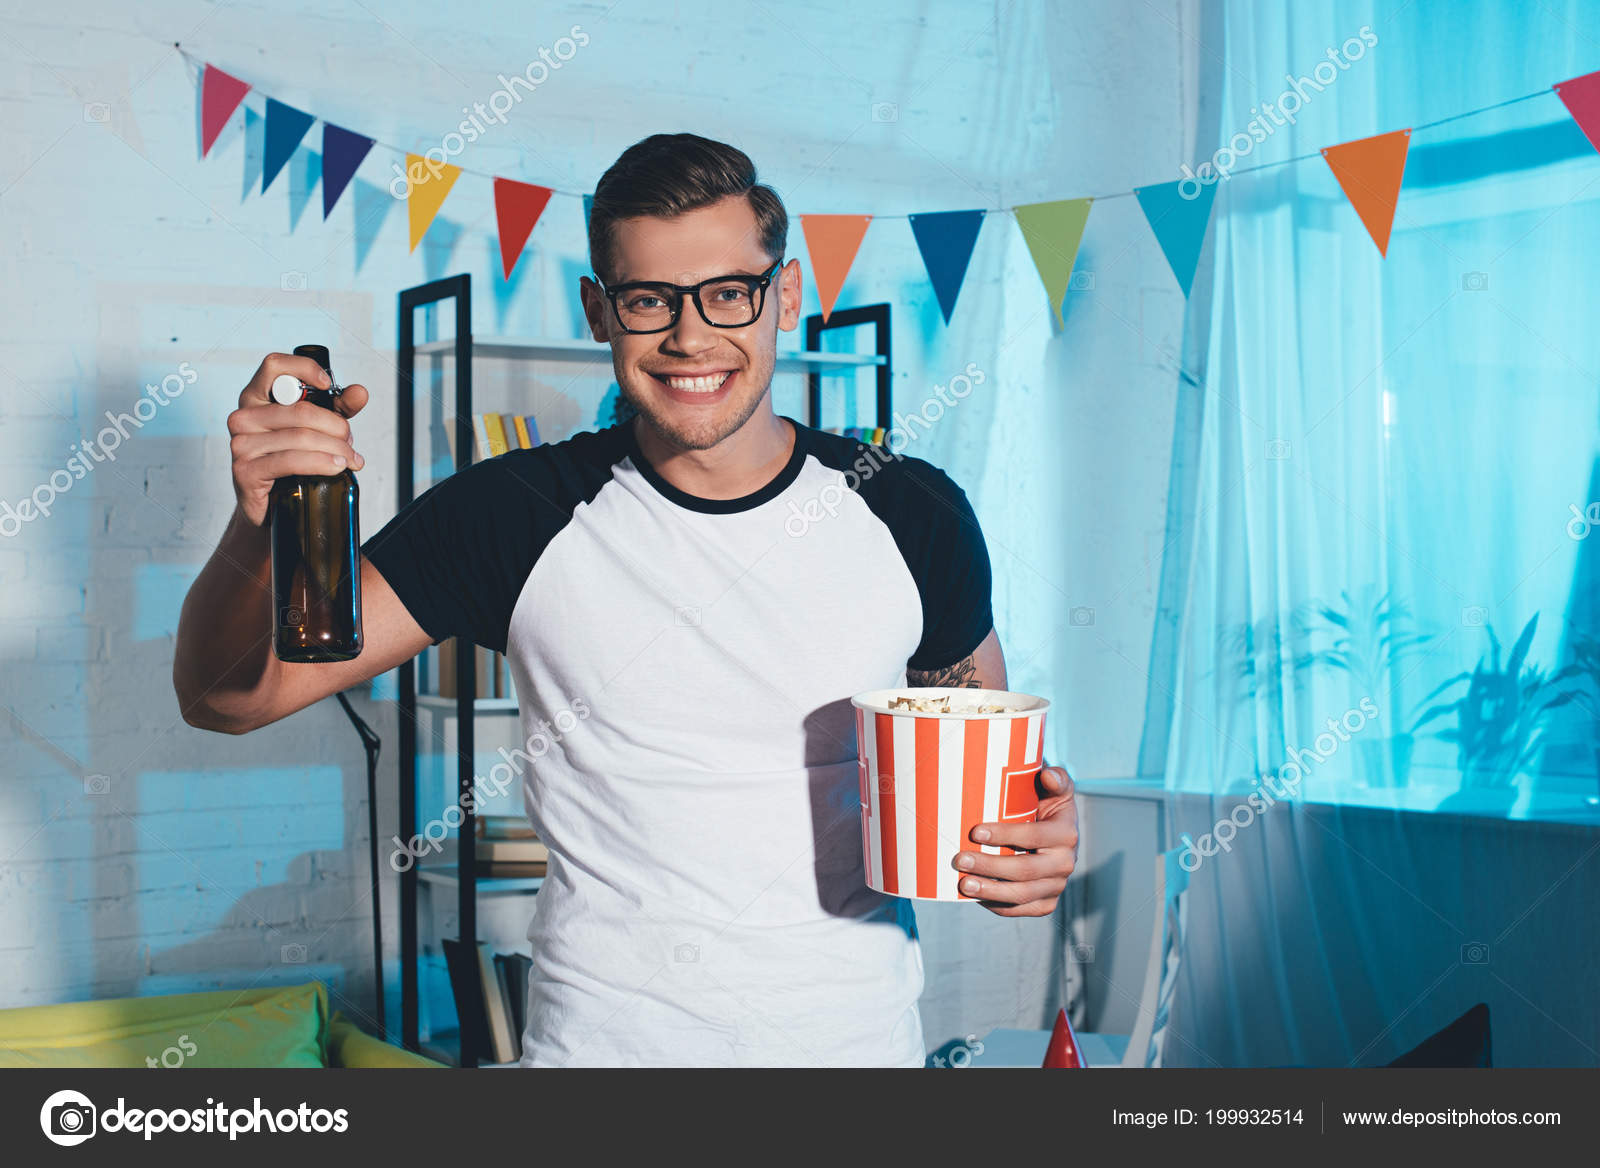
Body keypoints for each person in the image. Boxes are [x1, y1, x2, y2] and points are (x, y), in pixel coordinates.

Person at [173, 132, 1077, 1067]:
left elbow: (996, 804)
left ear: (787, 295)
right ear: (600, 312)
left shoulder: (910, 509)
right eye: (649, 300)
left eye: (728, 293)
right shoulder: (510, 514)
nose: (691, 337)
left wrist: (1036, 844)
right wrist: (256, 524)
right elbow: (226, 699)